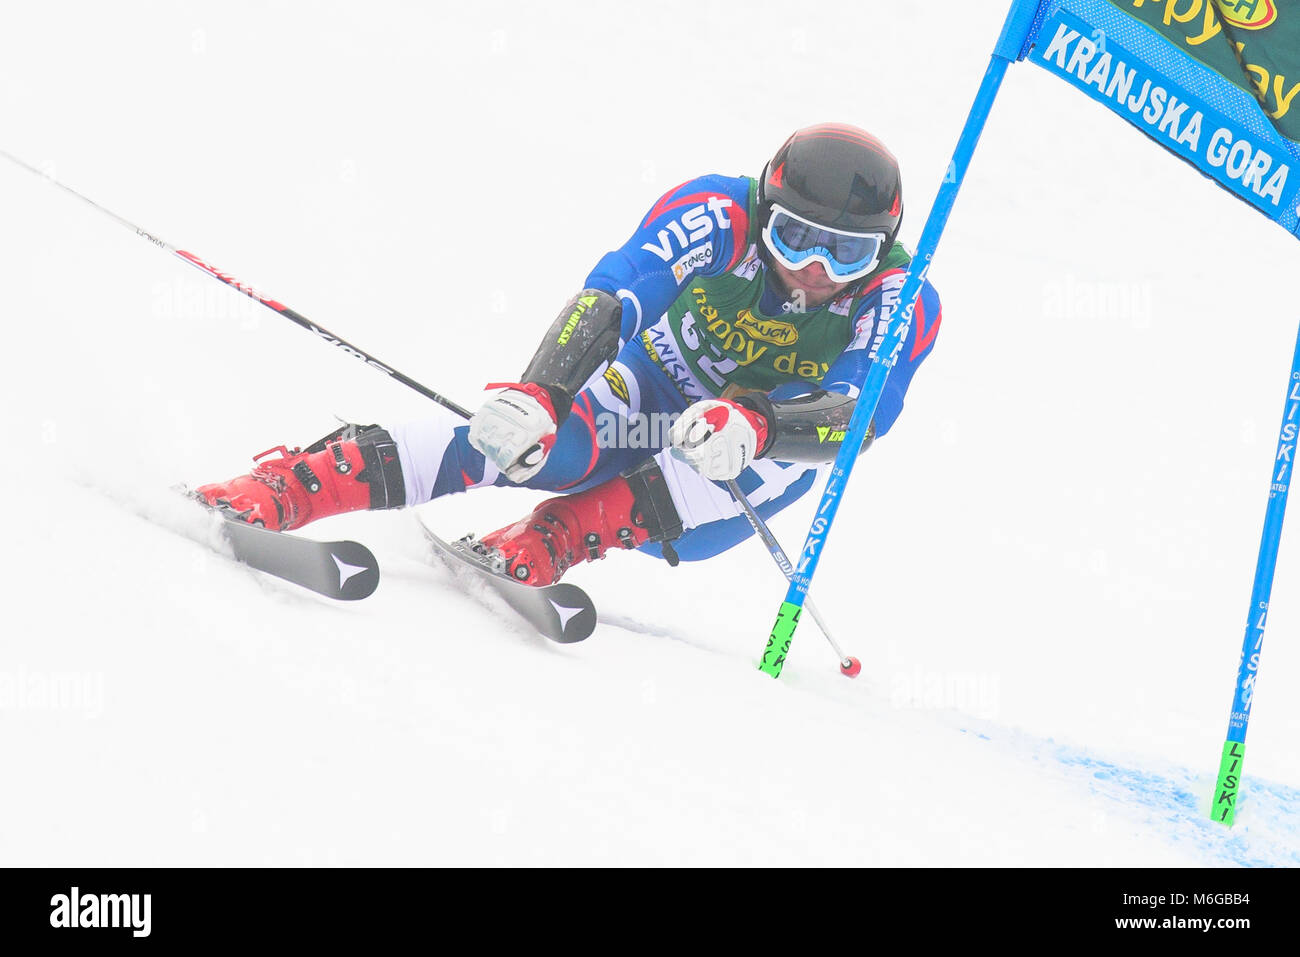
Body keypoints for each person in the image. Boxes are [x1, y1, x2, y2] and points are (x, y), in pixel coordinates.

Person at [196, 122, 943, 586]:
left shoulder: (899, 297)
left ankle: (560, 533)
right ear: (766, 210)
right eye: (796, 238)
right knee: (538, 447)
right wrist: (542, 393)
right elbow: (621, 291)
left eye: (846, 254)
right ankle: (310, 478)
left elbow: (860, 413)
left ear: (883, 248)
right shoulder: (720, 212)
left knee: (706, 521)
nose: (816, 270)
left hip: (748, 434)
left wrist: (758, 422)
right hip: (651, 390)